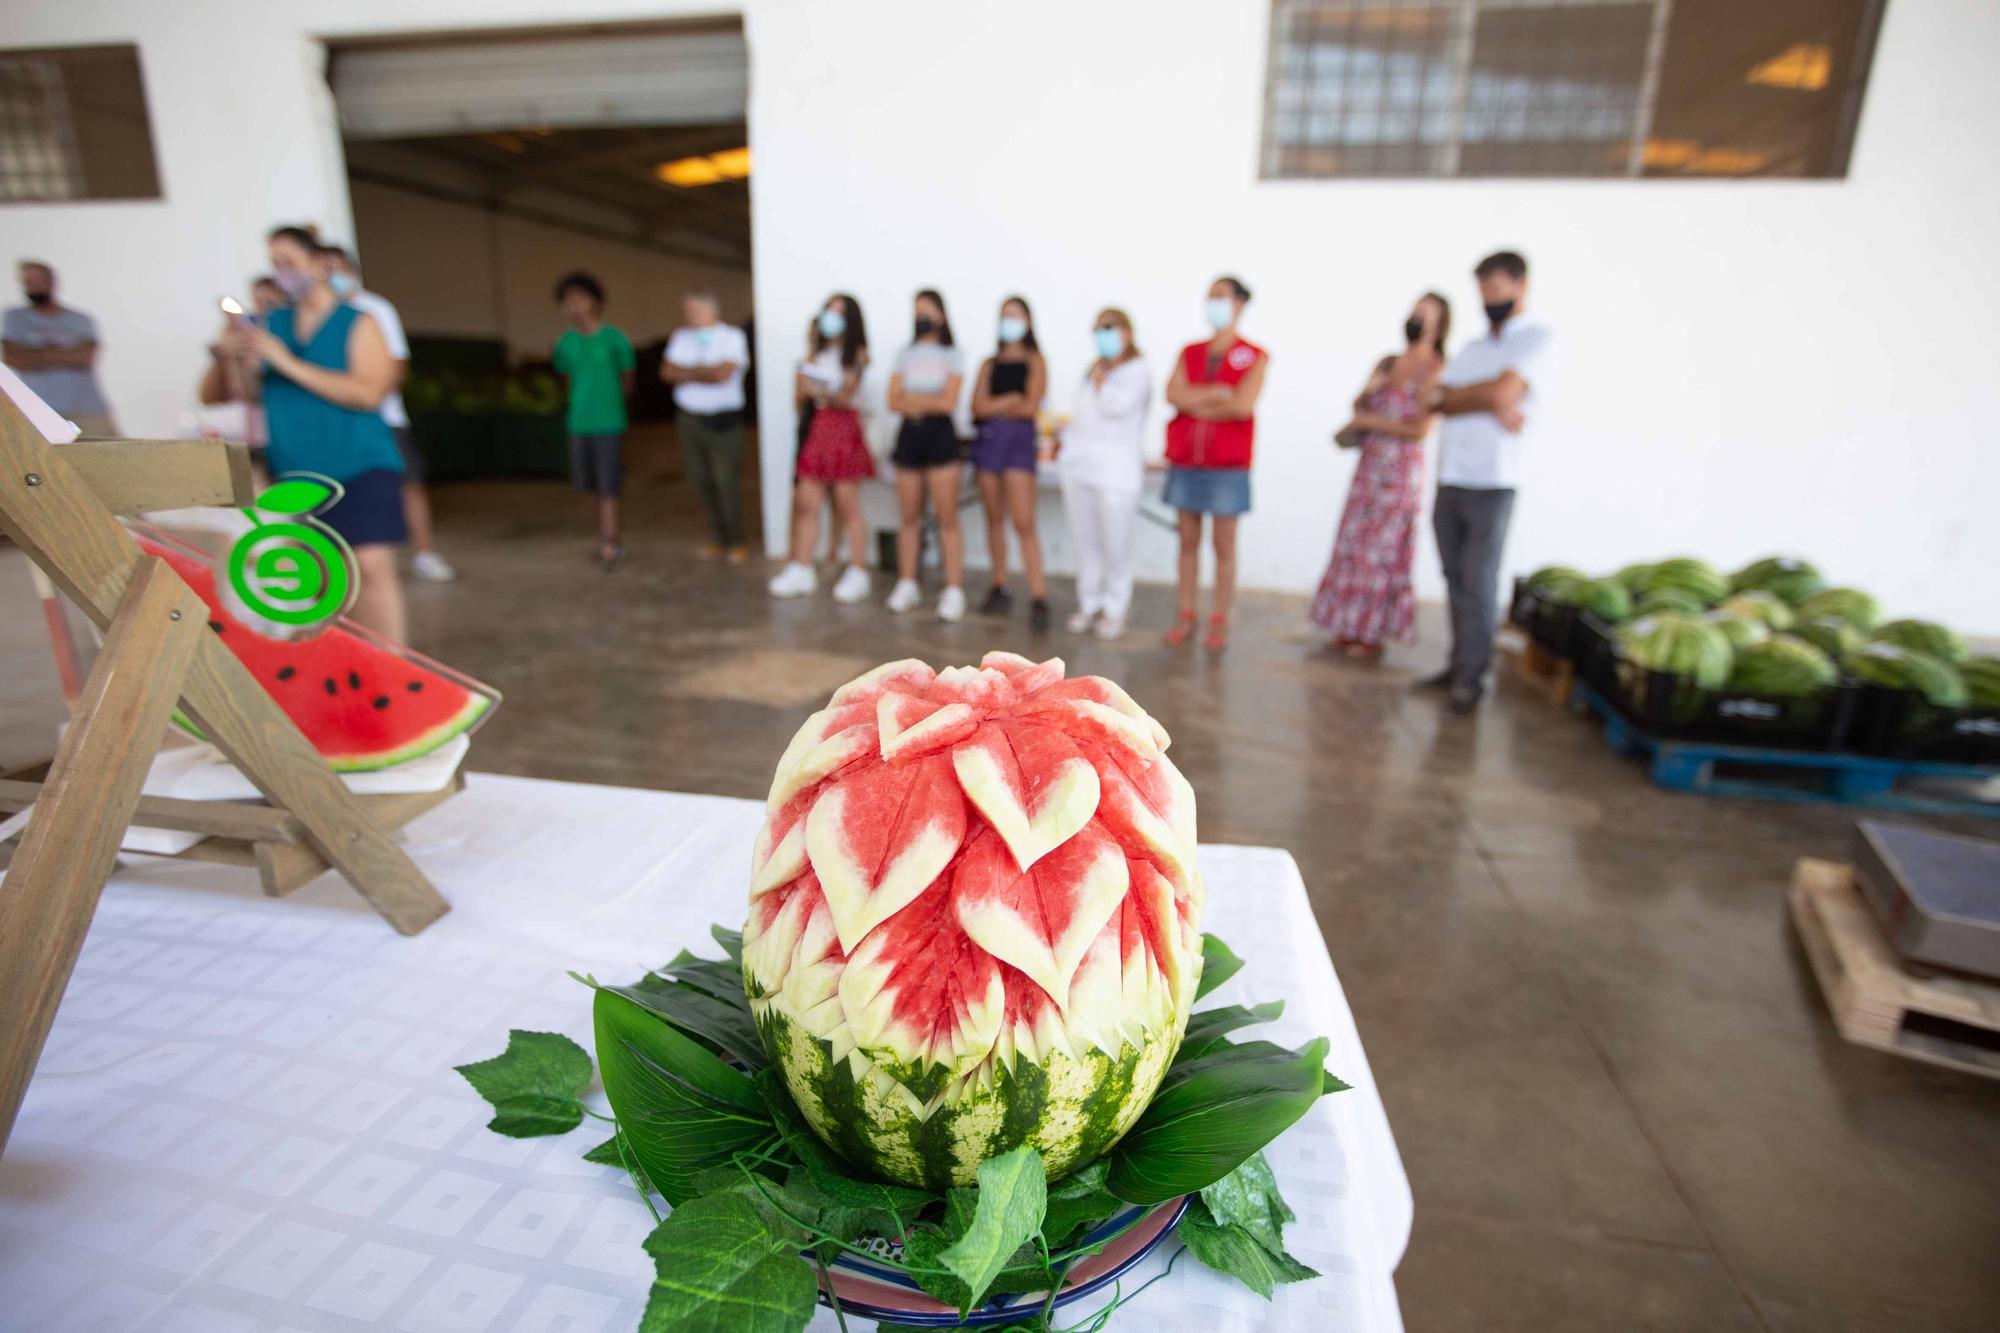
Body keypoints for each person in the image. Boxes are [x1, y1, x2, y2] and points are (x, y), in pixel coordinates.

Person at [221, 226, 408, 643]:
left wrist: (286, 362)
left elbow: (369, 392)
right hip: (298, 470)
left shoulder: (358, 323)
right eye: (275, 264)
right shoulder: (272, 324)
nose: (283, 272)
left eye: (290, 261)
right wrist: (235, 362)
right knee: (327, 579)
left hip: (360, 462)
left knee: (370, 567)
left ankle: (393, 668)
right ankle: (355, 669)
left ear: (320, 263)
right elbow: (251, 394)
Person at [1422, 250, 1551, 715]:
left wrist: (1465, 397)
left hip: (1493, 482)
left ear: (1520, 286)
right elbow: (1433, 398)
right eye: (1482, 290)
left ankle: (1472, 679)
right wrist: (1479, 398)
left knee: (1480, 582)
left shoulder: (1535, 340)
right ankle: (1458, 665)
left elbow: (1498, 393)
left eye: (1496, 289)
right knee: (1455, 578)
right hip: (1451, 476)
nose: (1488, 298)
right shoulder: (1474, 350)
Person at [1311, 293, 1450, 659]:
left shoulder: (1436, 370)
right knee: (1354, 545)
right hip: (1369, 469)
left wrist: (1373, 421)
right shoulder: (1388, 363)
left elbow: (1421, 428)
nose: (1416, 319)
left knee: (1381, 553)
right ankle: (1346, 624)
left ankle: (1370, 632)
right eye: (1414, 311)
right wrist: (1370, 391)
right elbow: (1359, 407)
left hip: (1400, 474)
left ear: (1440, 324)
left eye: (1425, 314)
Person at [321, 245, 457, 585]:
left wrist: (370, 397)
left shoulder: (373, 308)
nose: (330, 275)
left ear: (352, 271)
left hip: (383, 419)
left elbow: (397, 363)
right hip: (338, 426)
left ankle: (425, 554)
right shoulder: (317, 317)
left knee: (409, 485)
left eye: (336, 268)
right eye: (323, 268)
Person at [1161, 275, 1269, 651]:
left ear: (1239, 303)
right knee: (1187, 542)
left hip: (1227, 466)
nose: (1214, 303)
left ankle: (1219, 619)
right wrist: (1215, 394)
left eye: (1220, 296)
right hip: (1187, 461)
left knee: (1223, 545)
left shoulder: (1254, 355)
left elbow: (1242, 405)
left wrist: (1196, 401)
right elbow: (1172, 394)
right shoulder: (1189, 351)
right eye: (1210, 296)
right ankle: (1186, 615)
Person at [770, 294, 874, 603]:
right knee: (806, 501)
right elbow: (802, 394)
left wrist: (819, 389)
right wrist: (818, 389)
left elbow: (844, 395)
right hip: (820, 427)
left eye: (840, 312)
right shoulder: (815, 355)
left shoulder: (856, 355)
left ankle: (857, 570)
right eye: (829, 310)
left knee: (847, 504)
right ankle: (801, 567)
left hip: (843, 427)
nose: (832, 317)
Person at [1055, 308, 1151, 640]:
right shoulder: (1092, 370)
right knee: (1087, 541)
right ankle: (1089, 602)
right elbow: (1084, 415)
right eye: (1098, 329)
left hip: (1116, 472)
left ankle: (1115, 607)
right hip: (1080, 466)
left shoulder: (1138, 370)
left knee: (1116, 543)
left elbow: (1115, 408)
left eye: (1110, 328)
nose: (1103, 335)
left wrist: (1101, 382)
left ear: (1126, 332)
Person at [968, 296, 1050, 629]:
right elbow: (977, 406)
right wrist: (1009, 401)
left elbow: (1030, 406)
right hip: (989, 445)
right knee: (993, 518)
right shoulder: (990, 363)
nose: (1009, 322)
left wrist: (997, 406)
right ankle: (999, 584)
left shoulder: (1035, 360)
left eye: (1015, 316)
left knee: (1023, 520)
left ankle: (1038, 594)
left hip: (1018, 446)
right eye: (1004, 316)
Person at [885, 289, 967, 621]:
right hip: (909, 437)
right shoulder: (903, 353)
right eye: (917, 311)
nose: (922, 317)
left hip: (940, 437)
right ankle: (907, 582)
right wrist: (925, 399)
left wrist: (911, 398)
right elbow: (892, 400)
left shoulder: (953, 354)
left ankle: (953, 589)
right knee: (909, 517)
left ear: (942, 315)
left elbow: (948, 402)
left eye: (928, 311)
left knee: (946, 516)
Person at [660, 288, 752, 563]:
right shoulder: (680, 337)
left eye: (695, 310)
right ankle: (717, 536)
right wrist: (705, 370)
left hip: (722, 421)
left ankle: (736, 539)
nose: (690, 316)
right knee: (701, 480)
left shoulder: (732, 337)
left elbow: (723, 374)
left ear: (712, 310)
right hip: (689, 419)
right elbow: (667, 372)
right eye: (687, 311)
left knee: (726, 481)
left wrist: (687, 372)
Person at [551, 272, 636, 568]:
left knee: (608, 484)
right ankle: (603, 533)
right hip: (578, 423)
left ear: (595, 301)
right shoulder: (565, 344)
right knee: (588, 486)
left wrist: (611, 405)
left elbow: (628, 379)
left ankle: (611, 539)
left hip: (608, 423)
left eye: (579, 298)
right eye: (567, 301)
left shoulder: (614, 339)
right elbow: (566, 379)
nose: (573, 306)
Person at [3, 260, 118, 437]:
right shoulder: (15, 318)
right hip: (36, 410)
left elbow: (85, 358)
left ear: (51, 282)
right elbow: (14, 358)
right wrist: (66, 354)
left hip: (86, 409)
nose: (33, 287)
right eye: (28, 282)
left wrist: (36, 354)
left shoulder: (80, 320)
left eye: (37, 281)